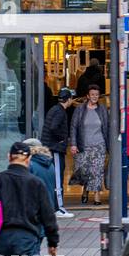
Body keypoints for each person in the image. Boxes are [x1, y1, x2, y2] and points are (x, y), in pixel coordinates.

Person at [24, 139, 58, 256]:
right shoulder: (49, 165)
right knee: (32, 255)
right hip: (47, 214)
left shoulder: (30, 166)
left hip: (34, 216)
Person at [69, 84, 109, 206]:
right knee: (85, 171)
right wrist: (73, 144)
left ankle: (97, 197)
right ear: (87, 96)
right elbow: (73, 127)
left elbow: (107, 127)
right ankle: (85, 191)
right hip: (83, 145)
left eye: (97, 95)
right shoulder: (80, 109)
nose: (95, 97)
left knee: (97, 171)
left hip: (99, 145)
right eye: (92, 95)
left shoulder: (102, 109)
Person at [38, 86, 75, 219]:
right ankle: (59, 208)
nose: (72, 101)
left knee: (53, 179)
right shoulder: (60, 112)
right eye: (71, 98)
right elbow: (54, 127)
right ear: (68, 99)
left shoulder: (54, 109)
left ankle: (53, 207)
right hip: (55, 149)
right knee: (58, 179)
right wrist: (62, 139)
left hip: (50, 148)